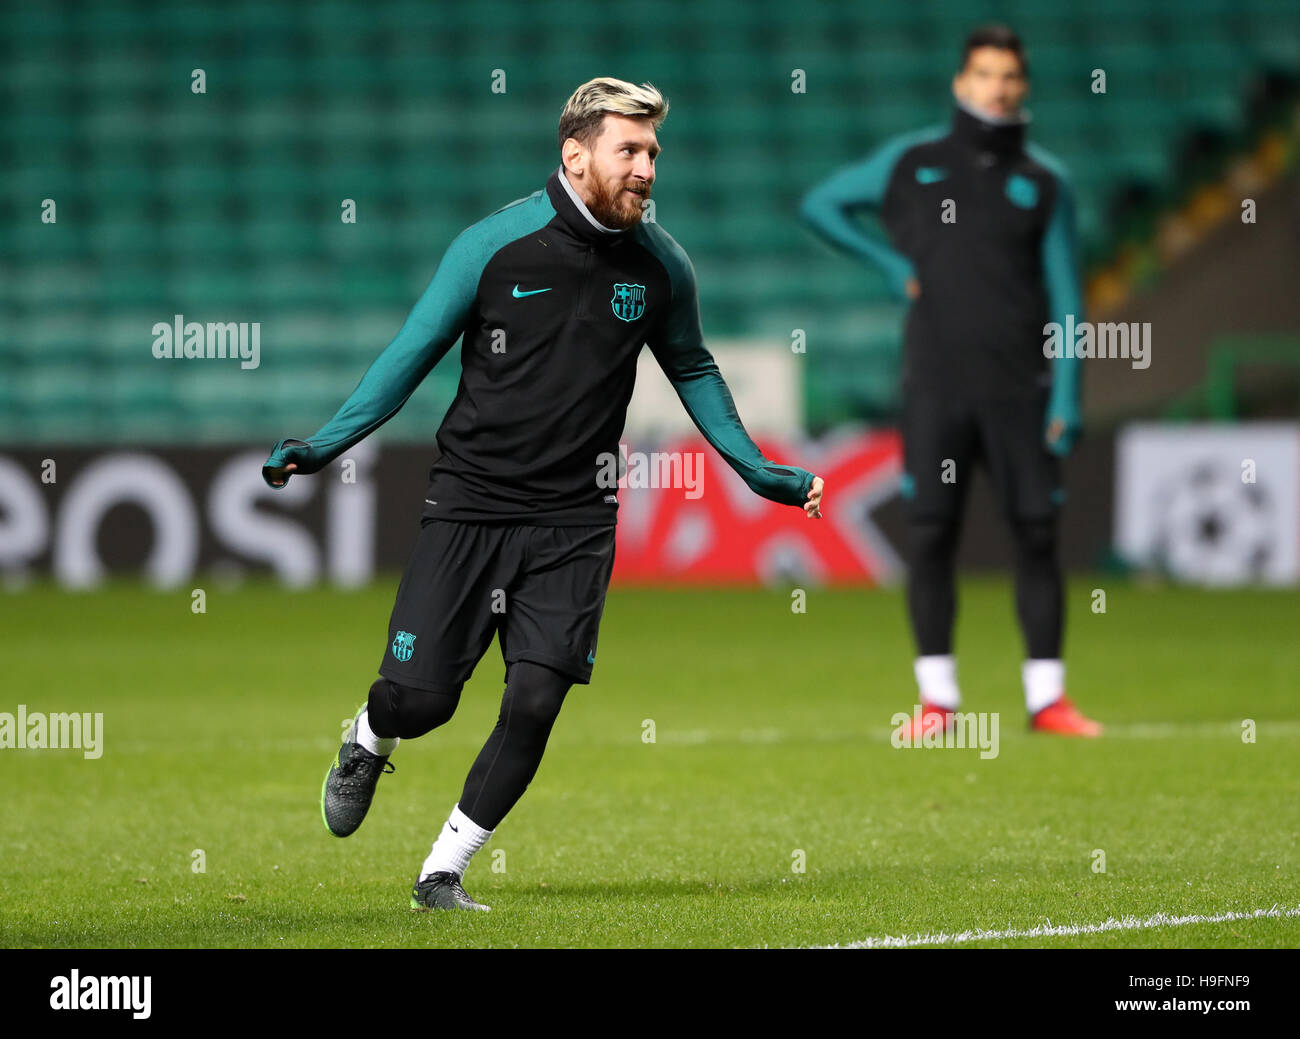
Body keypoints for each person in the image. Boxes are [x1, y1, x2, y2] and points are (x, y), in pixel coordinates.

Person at [263, 77, 826, 911]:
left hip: (575, 517)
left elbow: (695, 366)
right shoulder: (495, 245)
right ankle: (369, 735)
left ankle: (441, 872)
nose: (646, 170)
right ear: (576, 154)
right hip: (471, 503)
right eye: (628, 151)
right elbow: (411, 352)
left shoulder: (662, 265)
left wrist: (759, 470)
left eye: (653, 154)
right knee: (420, 702)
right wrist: (323, 444)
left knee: (534, 699)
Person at [800, 26, 1100, 738]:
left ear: (1022, 87)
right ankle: (938, 701)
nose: (997, 87)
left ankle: (1047, 699)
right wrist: (888, 264)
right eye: (984, 74)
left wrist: (1066, 392)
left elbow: (1068, 300)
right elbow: (820, 204)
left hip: (1020, 389)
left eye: (1009, 77)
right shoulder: (912, 162)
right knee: (931, 534)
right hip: (933, 386)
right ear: (962, 83)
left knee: (1035, 533)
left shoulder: (1045, 181)